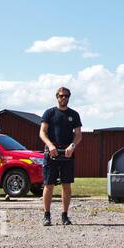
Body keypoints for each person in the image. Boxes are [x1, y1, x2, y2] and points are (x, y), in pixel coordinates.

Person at [39, 86, 82, 226]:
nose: (64, 98)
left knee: (66, 185)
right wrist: (50, 146)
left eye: (66, 96)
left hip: (67, 154)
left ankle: (65, 215)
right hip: (52, 153)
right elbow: (42, 132)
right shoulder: (49, 113)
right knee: (49, 185)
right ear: (57, 97)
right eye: (61, 96)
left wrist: (72, 146)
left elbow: (78, 135)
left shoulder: (74, 115)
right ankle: (47, 215)